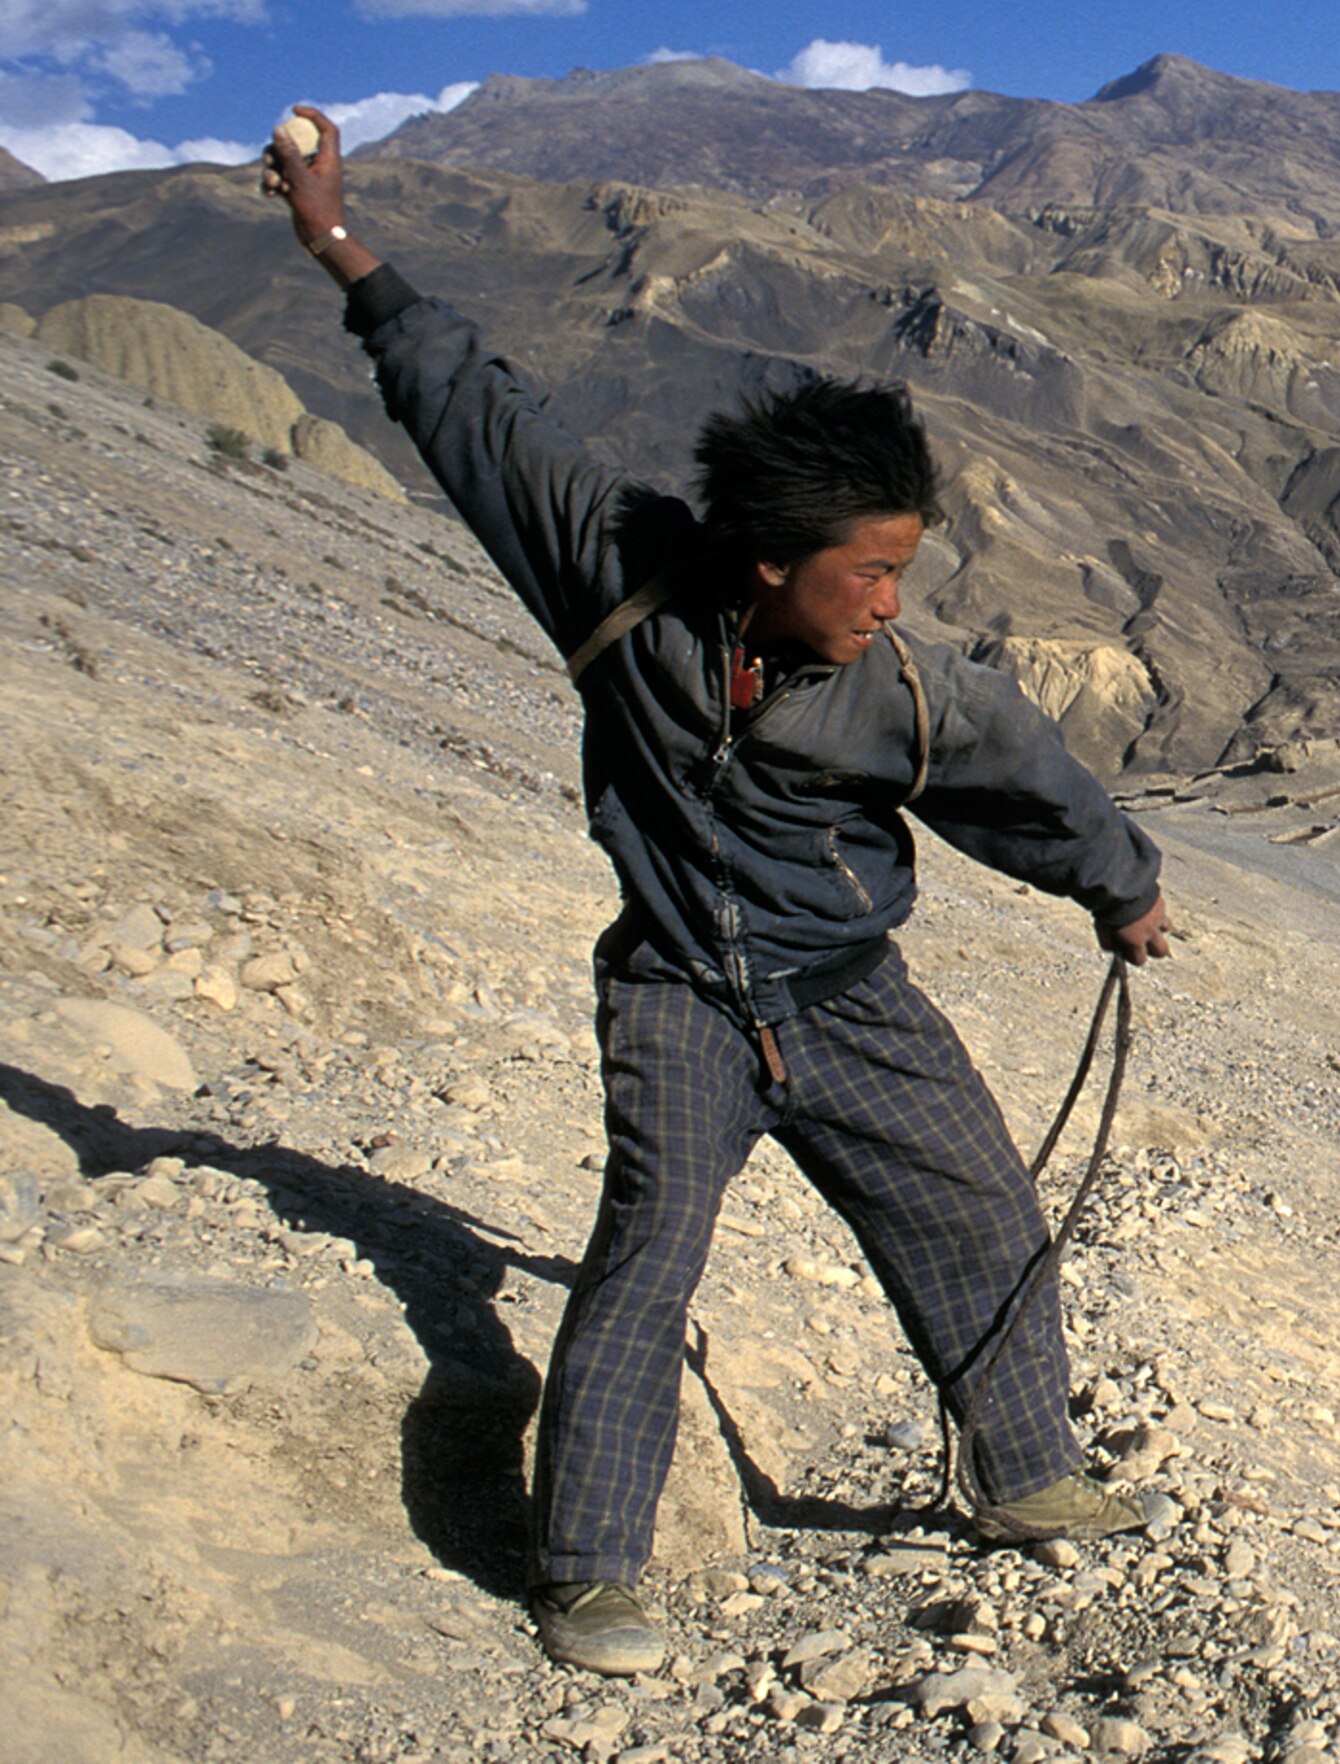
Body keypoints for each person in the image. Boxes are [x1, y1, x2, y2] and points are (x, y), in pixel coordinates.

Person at [264, 107, 1175, 1677]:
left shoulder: (907, 691)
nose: (891, 604)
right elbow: (465, 409)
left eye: (903, 573)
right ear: (766, 560)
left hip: (852, 1000)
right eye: (866, 575)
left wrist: (1125, 894)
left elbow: (1030, 784)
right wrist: (338, 239)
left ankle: (1027, 1473)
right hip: (678, 995)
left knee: (979, 1212)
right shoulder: (617, 574)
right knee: (645, 1258)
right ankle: (591, 1574)